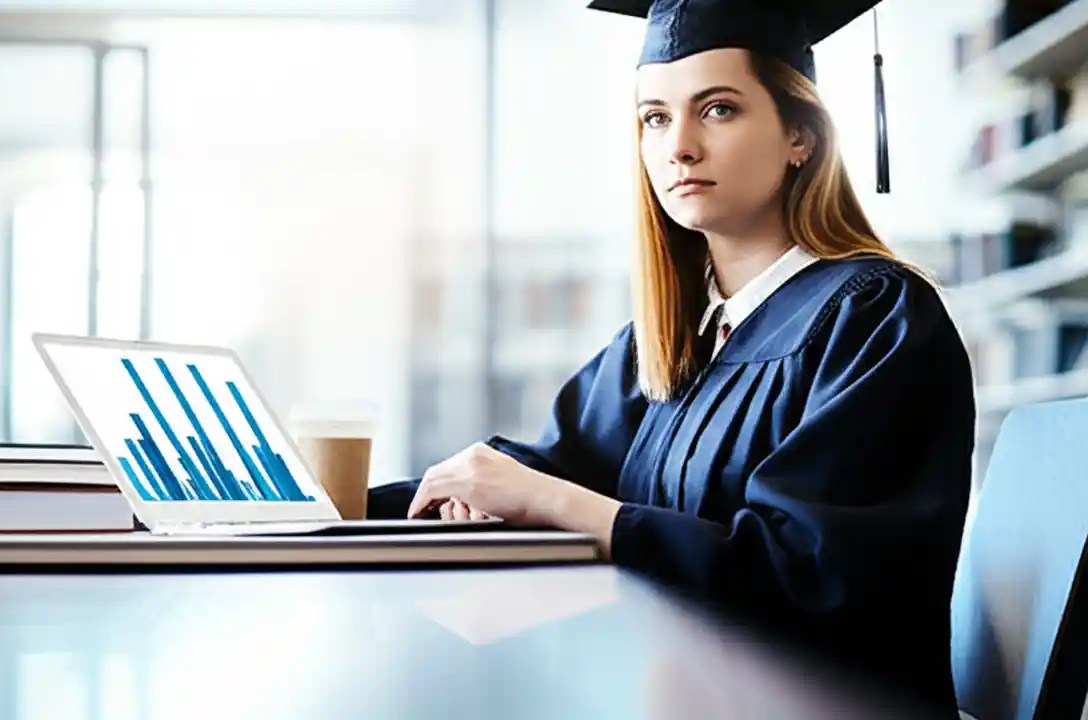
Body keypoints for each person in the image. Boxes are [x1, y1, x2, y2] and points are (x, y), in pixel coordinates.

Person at [370, 0, 974, 710]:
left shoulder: (874, 317)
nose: (678, 146)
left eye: (717, 109)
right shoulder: (666, 341)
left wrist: (557, 503)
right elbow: (545, 466)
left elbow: (807, 578)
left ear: (800, 137)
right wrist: (330, 504)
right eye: (655, 118)